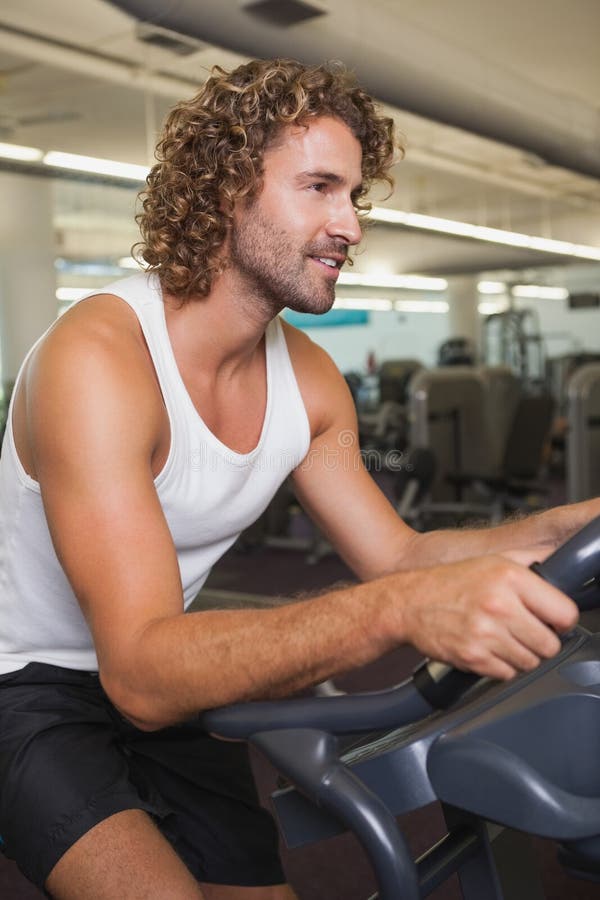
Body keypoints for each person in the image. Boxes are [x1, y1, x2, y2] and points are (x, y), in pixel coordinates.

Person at [0, 57, 598, 900]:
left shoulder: (311, 382)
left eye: (354, 195)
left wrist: (562, 530)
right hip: (25, 685)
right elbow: (136, 674)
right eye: (319, 187)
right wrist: (399, 613)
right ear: (224, 189)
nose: (350, 224)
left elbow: (396, 558)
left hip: (165, 665)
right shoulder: (99, 360)